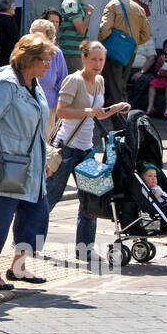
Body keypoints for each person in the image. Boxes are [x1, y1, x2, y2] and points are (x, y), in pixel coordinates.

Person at [0, 34, 53, 289]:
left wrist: (44, 157)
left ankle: (18, 268)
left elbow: (39, 125)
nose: (48, 65)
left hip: (33, 165)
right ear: (29, 59)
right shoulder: (6, 84)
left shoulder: (34, 83)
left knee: (36, 217)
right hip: (6, 163)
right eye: (45, 59)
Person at [44, 40, 130, 262]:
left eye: (101, 60)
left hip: (88, 150)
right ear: (83, 58)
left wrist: (115, 108)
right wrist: (89, 110)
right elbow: (61, 112)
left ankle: (85, 249)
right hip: (67, 149)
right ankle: (26, 239)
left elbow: (97, 114)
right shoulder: (74, 80)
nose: (98, 64)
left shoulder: (100, 80)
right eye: (93, 59)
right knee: (50, 196)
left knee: (90, 200)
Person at [98, 0, 151, 107]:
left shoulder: (112, 5)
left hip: (113, 52)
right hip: (130, 53)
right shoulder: (139, 8)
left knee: (115, 90)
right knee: (121, 87)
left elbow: (104, 29)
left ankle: (121, 123)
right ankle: (125, 119)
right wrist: (132, 44)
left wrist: (101, 45)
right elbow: (146, 34)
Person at [30, 18, 68, 139]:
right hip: (27, 103)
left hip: (49, 106)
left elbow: (63, 82)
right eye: (32, 33)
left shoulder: (56, 54)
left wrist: (60, 108)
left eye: (39, 34)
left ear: (49, 37)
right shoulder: (26, 53)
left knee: (45, 141)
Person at [59, 0, 94, 73]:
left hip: (76, 52)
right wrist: (89, 14)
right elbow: (81, 29)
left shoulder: (75, 3)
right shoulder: (71, 3)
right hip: (72, 53)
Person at [0, 0, 20, 69]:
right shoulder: (10, 20)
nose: (15, 7)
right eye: (13, 5)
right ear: (8, 6)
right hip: (6, 54)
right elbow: (15, 38)